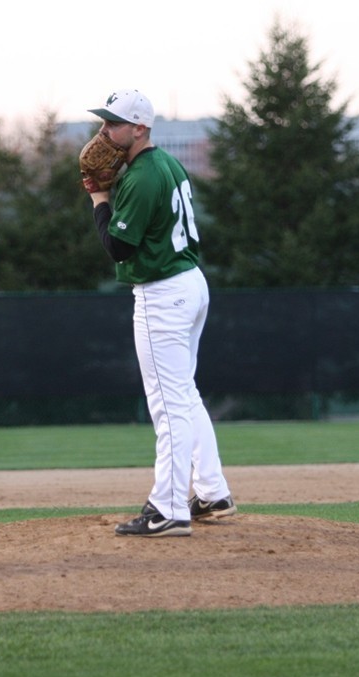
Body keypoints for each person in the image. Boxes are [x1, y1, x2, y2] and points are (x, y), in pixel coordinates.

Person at [84, 89, 236, 537]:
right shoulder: (166, 163)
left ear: (140, 128)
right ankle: (212, 491)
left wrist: (98, 197)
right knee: (184, 394)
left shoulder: (142, 176)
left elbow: (118, 246)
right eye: (104, 122)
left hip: (163, 293)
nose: (104, 131)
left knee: (168, 405)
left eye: (114, 123)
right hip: (189, 283)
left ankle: (168, 508)